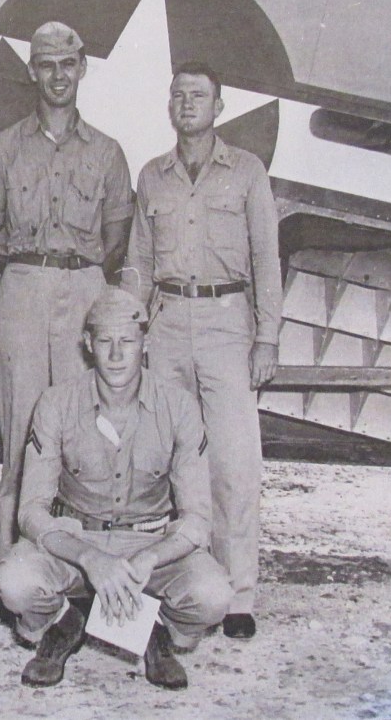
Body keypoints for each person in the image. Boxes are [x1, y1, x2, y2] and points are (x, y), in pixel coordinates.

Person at [0, 288, 232, 690]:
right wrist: (89, 557)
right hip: (78, 538)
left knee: (213, 595)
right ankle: (61, 622)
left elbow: (197, 520)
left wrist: (149, 559)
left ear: (146, 343)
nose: (117, 355)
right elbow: (31, 512)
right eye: (105, 341)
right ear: (88, 343)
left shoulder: (179, 406)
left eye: (128, 341)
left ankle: (156, 630)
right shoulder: (56, 403)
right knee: (16, 582)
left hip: (148, 543)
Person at [123, 61, 282, 640]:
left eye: (199, 95)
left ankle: (238, 594)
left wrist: (267, 337)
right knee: (165, 456)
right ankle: (173, 578)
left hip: (225, 323)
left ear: (220, 106)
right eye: (178, 95)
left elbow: (267, 257)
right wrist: (130, 330)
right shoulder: (152, 176)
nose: (187, 103)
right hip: (165, 324)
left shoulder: (245, 172)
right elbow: (138, 262)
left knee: (233, 464)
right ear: (169, 107)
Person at [0, 21, 134, 562]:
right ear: (32, 71)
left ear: (82, 68)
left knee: (82, 431)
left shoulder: (109, 152)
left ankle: (76, 566)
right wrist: (29, 268)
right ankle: (8, 565)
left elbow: (116, 236)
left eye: (68, 63)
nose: (58, 75)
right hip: (22, 287)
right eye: (46, 64)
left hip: (86, 288)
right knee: (20, 431)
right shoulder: (3, 149)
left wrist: (77, 272)